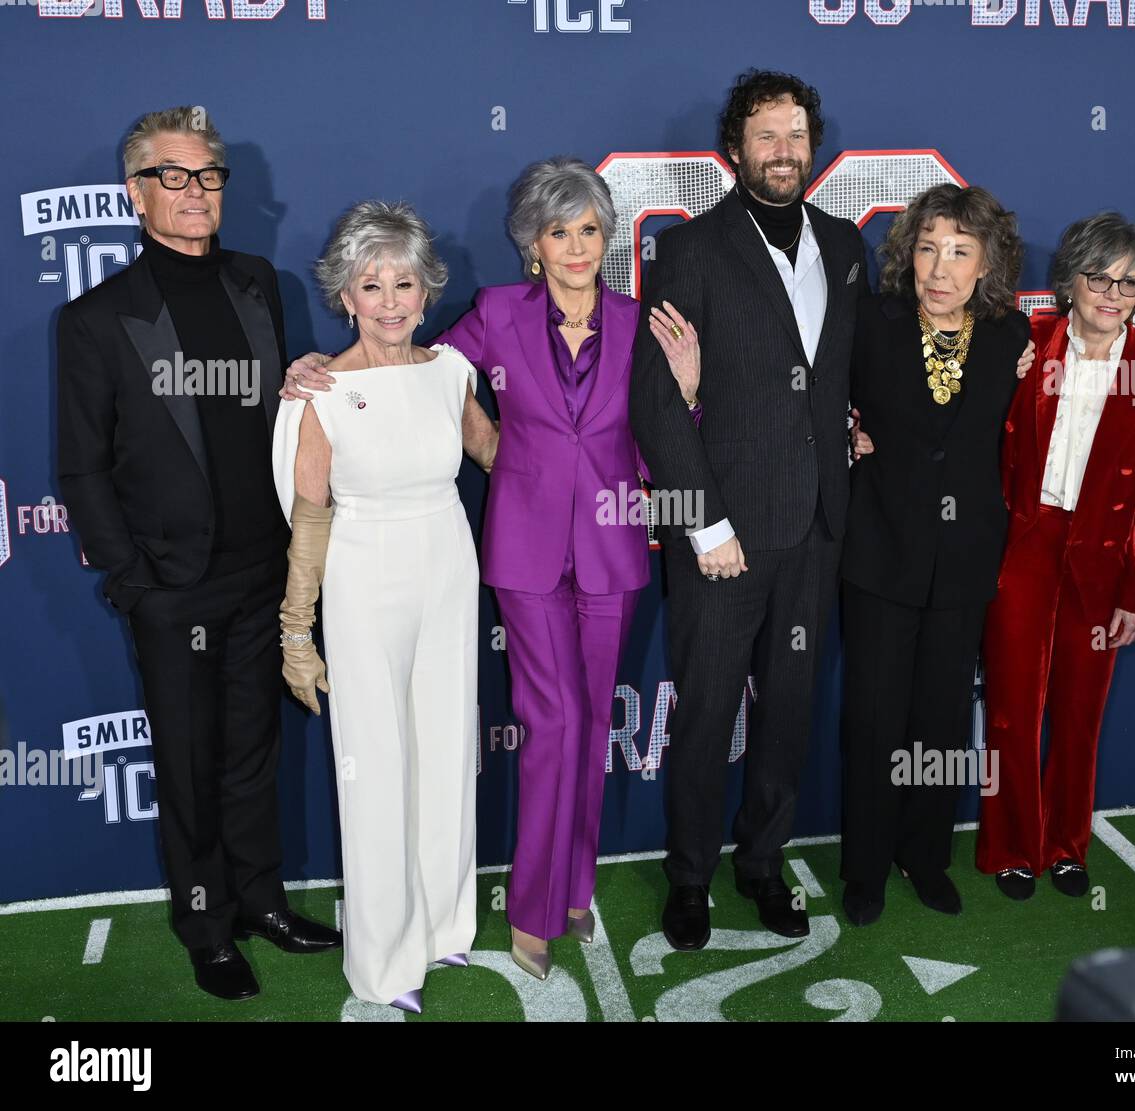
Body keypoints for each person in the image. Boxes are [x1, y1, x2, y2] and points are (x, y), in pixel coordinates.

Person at [282, 160, 700, 982]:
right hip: (524, 554)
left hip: (615, 551)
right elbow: (414, 376)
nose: (576, 246)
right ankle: (534, 911)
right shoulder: (496, 317)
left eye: (589, 229)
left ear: (608, 238)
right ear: (532, 246)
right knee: (553, 725)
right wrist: (312, 373)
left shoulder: (639, 321)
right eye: (558, 232)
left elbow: (657, 448)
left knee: (590, 724)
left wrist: (683, 395)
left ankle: (576, 884)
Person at [56, 107, 339, 1002]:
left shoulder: (259, 282)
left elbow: (278, 413)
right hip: (172, 587)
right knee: (187, 765)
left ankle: (261, 901)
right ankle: (207, 925)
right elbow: (82, 462)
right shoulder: (98, 319)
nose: (195, 193)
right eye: (173, 177)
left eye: (208, 175)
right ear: (135, 193)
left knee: (255, 753)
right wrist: (130, 577)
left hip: (264, 572)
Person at [629, 69, 870, 951]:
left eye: (795, 133)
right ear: (734, 150)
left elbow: (855, 373)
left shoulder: (845, 247)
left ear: (813, 144)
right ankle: (689, 875)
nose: (782, 150)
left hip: (815, 531)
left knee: (790, 710)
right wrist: (707, 527)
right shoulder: (689, 251)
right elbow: (656, 404)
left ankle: (762, 863)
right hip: (721, 538)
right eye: (765, 134)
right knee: (703, 713)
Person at [271, 201, 489, 1012]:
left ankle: (443, 926)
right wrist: (297, 630)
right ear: (347, 296)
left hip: (446, 561)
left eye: (405, 281)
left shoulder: (451, 372)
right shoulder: (321, 390)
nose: (391, 299)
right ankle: (385, 962)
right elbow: (310, 516)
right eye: (372, 285)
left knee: (443, 748)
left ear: (427, 289)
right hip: (363, 575)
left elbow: (497, 452)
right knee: (375, 767)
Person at [976, 213, 1135, 900]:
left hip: (1100, 563)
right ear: (1070, 280)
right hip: (1026, 546)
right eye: (1100, 276)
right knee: (1010, 706)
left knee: (1079, 712)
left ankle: (1067, 845)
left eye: (1129, 283)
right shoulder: (1026, 342)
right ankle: (1011, 844)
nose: (1112, 293)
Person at [840, 183, 1030, 926]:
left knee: (943, 722)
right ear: (907, 256)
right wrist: (845, 440)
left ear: (987, 263)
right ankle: (864, 870)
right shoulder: (870, 323)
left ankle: (925, 857)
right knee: (874, 718)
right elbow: (814, 401)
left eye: (958, 251)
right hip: (881, 554)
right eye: (926, 248)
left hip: (965, 562)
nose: (939, 268)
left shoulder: (1013, 337)